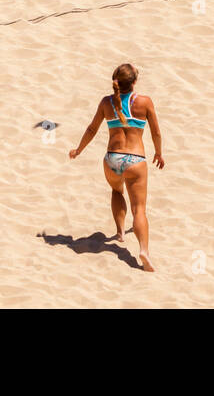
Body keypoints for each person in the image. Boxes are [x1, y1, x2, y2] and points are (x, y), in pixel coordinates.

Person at [67, 63, 165, 272]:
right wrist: (158, 152)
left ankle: (120, 232)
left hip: (111, 159)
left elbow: (92, 128)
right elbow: (156, 132)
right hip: (135, 160)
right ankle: (144, 251)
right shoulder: (144, 102)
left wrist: (78, 150)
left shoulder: (106, 102)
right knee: (139, 209)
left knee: (116, 190)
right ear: (134, 82)